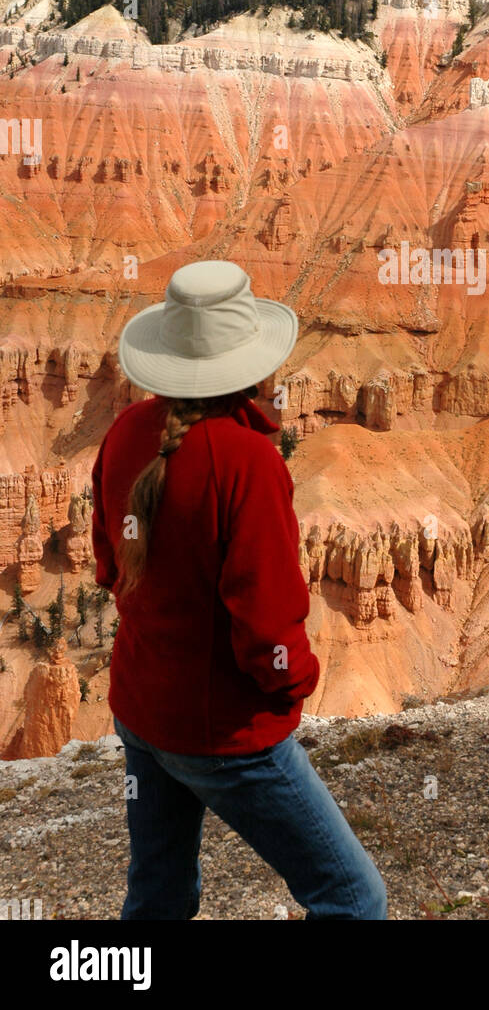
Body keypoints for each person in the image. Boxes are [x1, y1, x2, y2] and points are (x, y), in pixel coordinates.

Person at [91, 259, 387, 921]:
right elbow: (267, 627)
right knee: (352, 898)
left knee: (159, 898)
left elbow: (109, 567)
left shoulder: (123, 434)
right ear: (251, 365)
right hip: (224, 731)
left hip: (141, 713)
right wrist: (292, 683)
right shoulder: (248, 462)